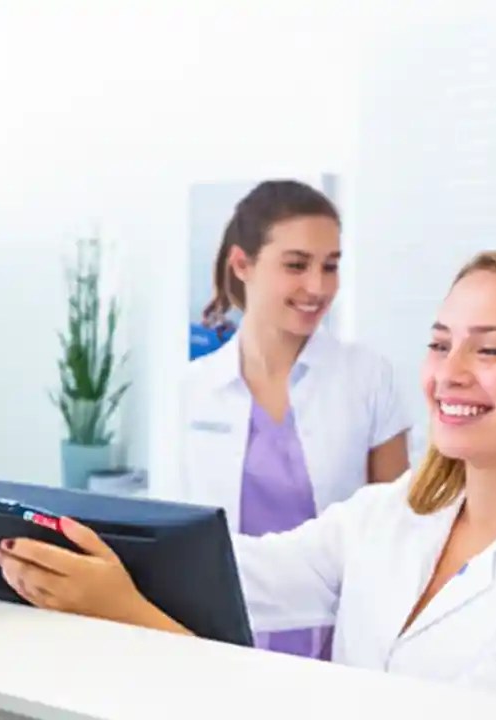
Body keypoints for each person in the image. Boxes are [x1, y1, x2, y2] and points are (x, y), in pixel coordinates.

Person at [0, 248, 496, 717]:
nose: (450, 373)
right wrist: (67, 545)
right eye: (440, 344)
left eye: (493, 349)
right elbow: (240, 574)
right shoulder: (398, 512)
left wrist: (130, 614)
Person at [162, 179, 411, 660]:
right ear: (243, 264)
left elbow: (401, 525)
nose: (318, 287)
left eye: (330, 266)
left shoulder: (368, 377)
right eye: (296, 265)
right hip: (223, 627)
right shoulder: (191, 389)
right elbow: (173, 528)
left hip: (342, 633)